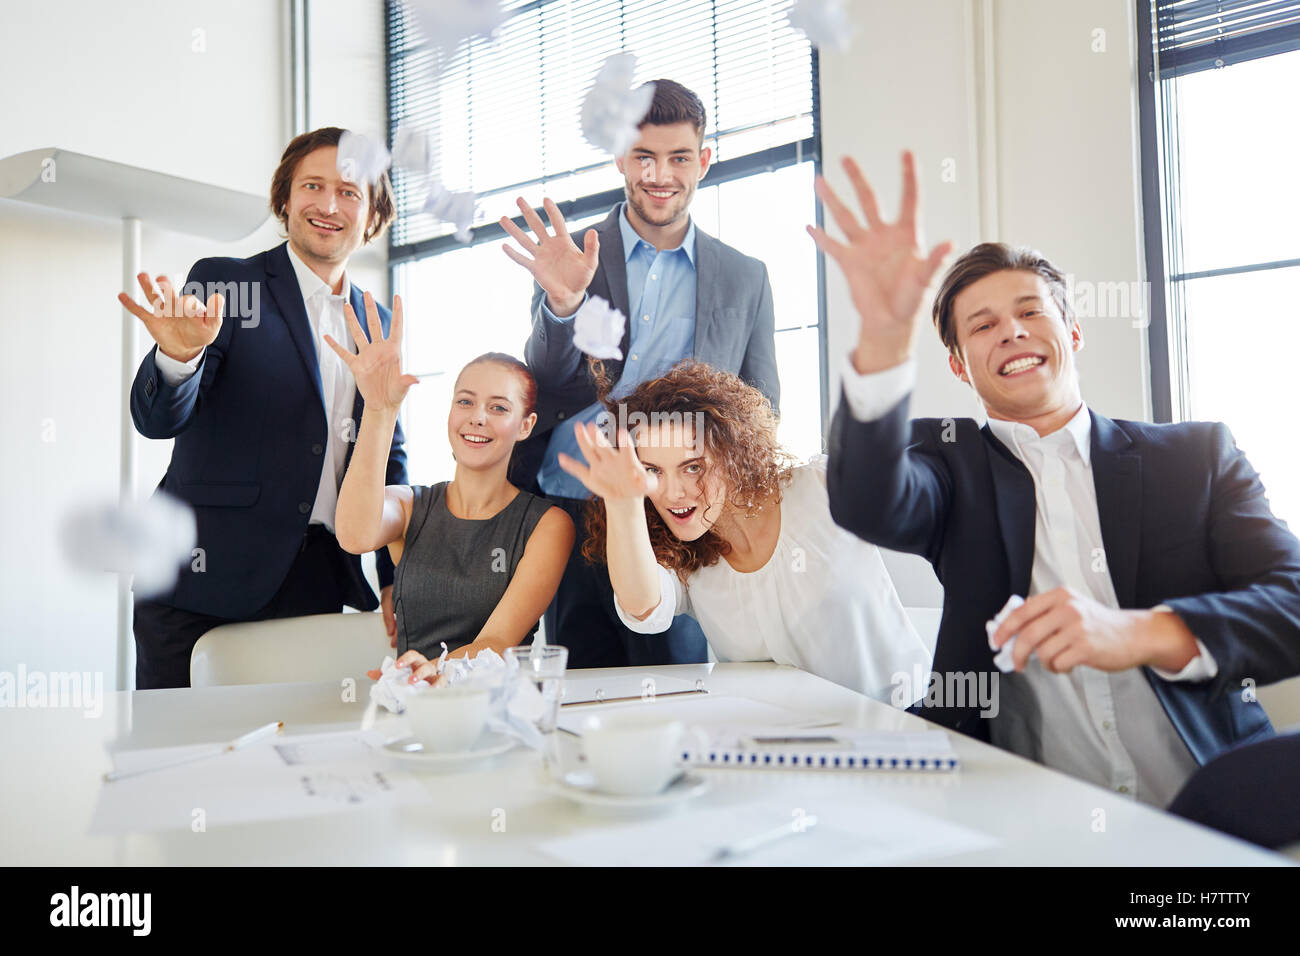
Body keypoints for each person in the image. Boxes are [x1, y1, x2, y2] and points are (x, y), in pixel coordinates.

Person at [816, 151, 1300, 805]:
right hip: (1027, 820)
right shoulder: (947, 459)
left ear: (1072, 330)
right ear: (960, 367)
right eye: (982, 326)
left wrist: (1142, 632)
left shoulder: (1195, 458)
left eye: (1031, 312)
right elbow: (870, 502)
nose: (1011, 331)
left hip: (1214, 806)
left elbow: (1292, 601)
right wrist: (882, 335)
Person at [501, 78, 780, 669]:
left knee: (676, 675)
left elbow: (762, 406)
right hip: (573, 499)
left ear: (702, 161)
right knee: (581, 679)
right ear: (620, 158)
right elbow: (547, 380)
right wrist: (565, 306)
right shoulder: (572, 255)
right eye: (644, 157)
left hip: (676, 508)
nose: (661, 175)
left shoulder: (745, 276)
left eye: (679, 157)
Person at [120, 127, 408, 689]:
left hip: (317, 582)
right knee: (176, 761)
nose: (328, 204)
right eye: (313, 186)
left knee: (294, 757)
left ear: (372, 215)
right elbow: (158, 421)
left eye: (349, 192)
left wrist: (397, 572)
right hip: (199, 580)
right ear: (285, 199)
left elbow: (387, 454)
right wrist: (179, 356)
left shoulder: (376, 320)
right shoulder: (230, 284)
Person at [555, 360, 929, 700]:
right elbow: (642, 609)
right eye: (652, 470)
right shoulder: (684, 557)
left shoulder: (823, 488)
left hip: (900, 722)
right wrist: (624, 503)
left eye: (693, 467)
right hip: (786, 746)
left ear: (733, 454)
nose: (671, 493)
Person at [326, 297, 573, 680]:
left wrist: (431, 671)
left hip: (495, 707)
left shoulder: (547, 524)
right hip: (410, 703)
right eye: (465, 402)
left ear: (525, 426)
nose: (477, 417)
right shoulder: (410, 505)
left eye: (498, 408)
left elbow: (497, 640)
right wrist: (378, 411)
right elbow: (354, 536)